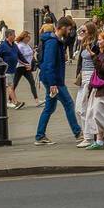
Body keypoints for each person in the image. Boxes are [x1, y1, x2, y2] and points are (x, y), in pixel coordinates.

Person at [34, 17, 83, 146]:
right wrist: (53, 84)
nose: (70, 31)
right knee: (68, 103)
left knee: (49, 107)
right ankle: (78, 133)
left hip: (51, 79)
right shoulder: (53, 42)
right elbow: (49, 64)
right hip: (54, 80)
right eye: (69, 28)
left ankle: (40, 136)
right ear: (62, 27)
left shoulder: (54, 40)